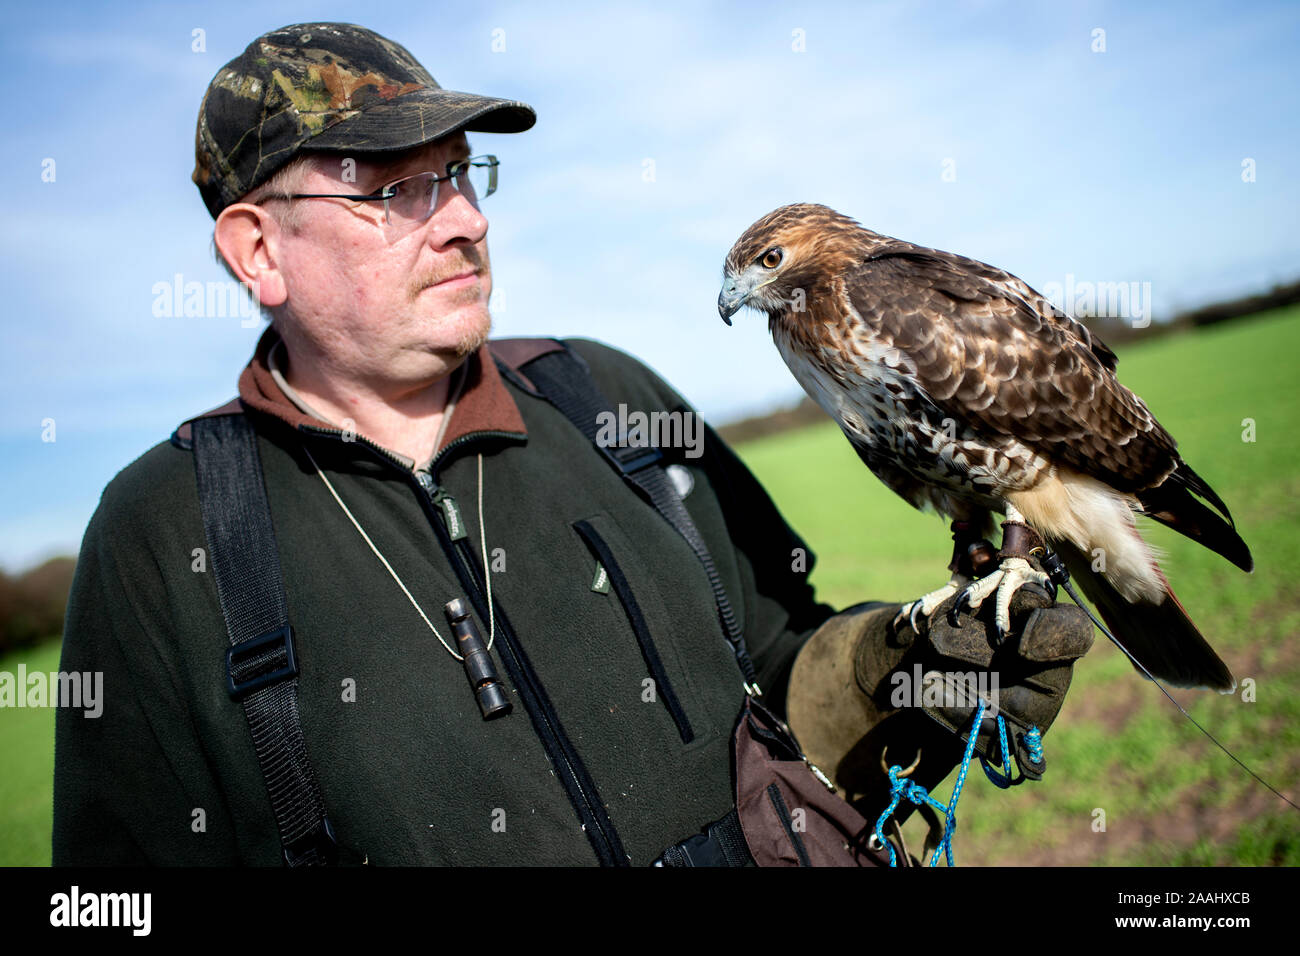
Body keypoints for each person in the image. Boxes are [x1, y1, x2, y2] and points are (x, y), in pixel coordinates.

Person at [52, 22, 1093, 867]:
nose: (462, 218)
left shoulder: (605, 395)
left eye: (460, 173)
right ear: (256, 248)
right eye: (391, 188)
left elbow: (778, 666)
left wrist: (898, 672)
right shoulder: (166, 532)